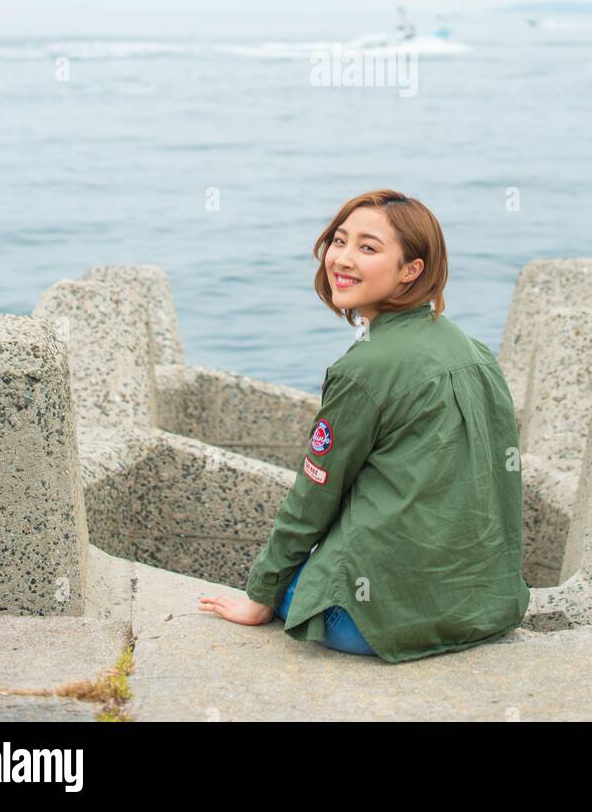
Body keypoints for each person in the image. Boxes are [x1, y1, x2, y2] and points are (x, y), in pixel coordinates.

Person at [198, 189, 530, 663]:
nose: (342, 259)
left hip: (371, 623)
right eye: (339, 241)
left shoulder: (364, 369)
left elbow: (313, 497)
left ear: (411, 270)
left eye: (368, 248)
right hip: (481, 609)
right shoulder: (474, 352)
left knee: (299, 582)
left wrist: (260, 596)